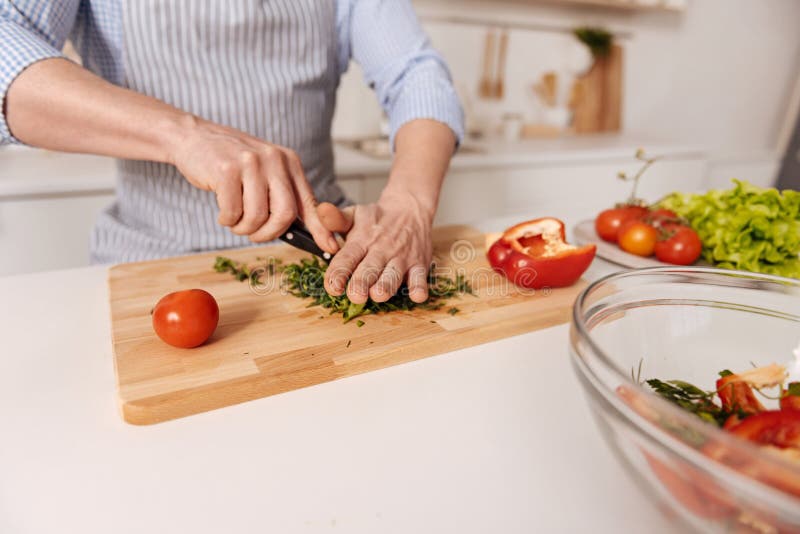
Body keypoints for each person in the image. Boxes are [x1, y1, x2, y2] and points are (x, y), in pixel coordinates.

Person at [0, 0, 463, 305]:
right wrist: (184, 136)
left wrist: (409, 205)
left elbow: (416, 74)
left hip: (327, 259)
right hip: (149, 267)